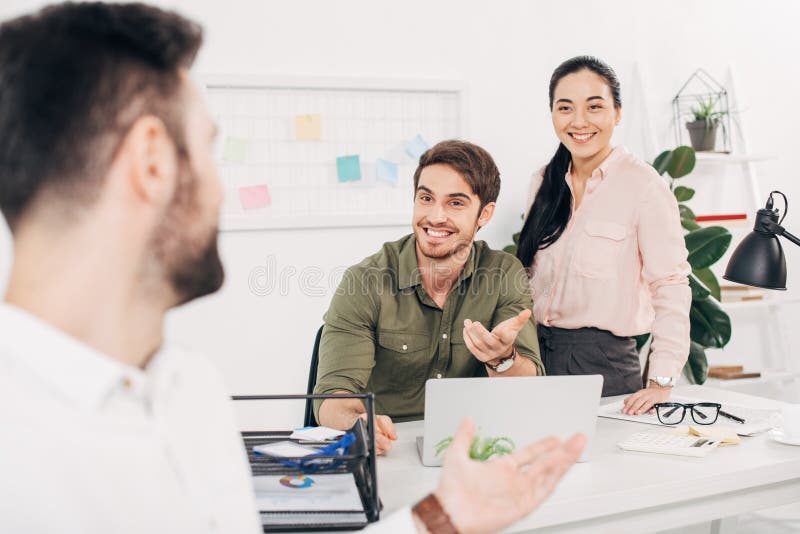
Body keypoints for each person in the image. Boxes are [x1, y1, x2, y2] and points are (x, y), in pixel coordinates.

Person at [0, 4, 584, 533]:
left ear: (482, 215)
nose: (219, 183)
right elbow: (335, 400)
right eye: (206, 146)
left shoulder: (189, 391)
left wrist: (441, 517)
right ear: (151, 162)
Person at [313, 139, 545, 453]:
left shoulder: (504, 274)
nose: (435, 217)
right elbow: (331, 398)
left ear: (485, 214)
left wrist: (501, 359)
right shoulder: (365, 281)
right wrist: (358, 420)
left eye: (456, 203)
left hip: (471, 448)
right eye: (426, 198)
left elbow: (529, 386)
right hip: (389, 450)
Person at [516, 56, 691, 416]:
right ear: (552, 113)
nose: (579, 122)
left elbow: (671, 284)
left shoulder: (644, 187)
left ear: (617, 113)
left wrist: (661, 381)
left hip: (603, 366)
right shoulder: (542, 181)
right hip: (532, 359)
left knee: (602, 472)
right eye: (565, 108)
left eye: (594, 107)